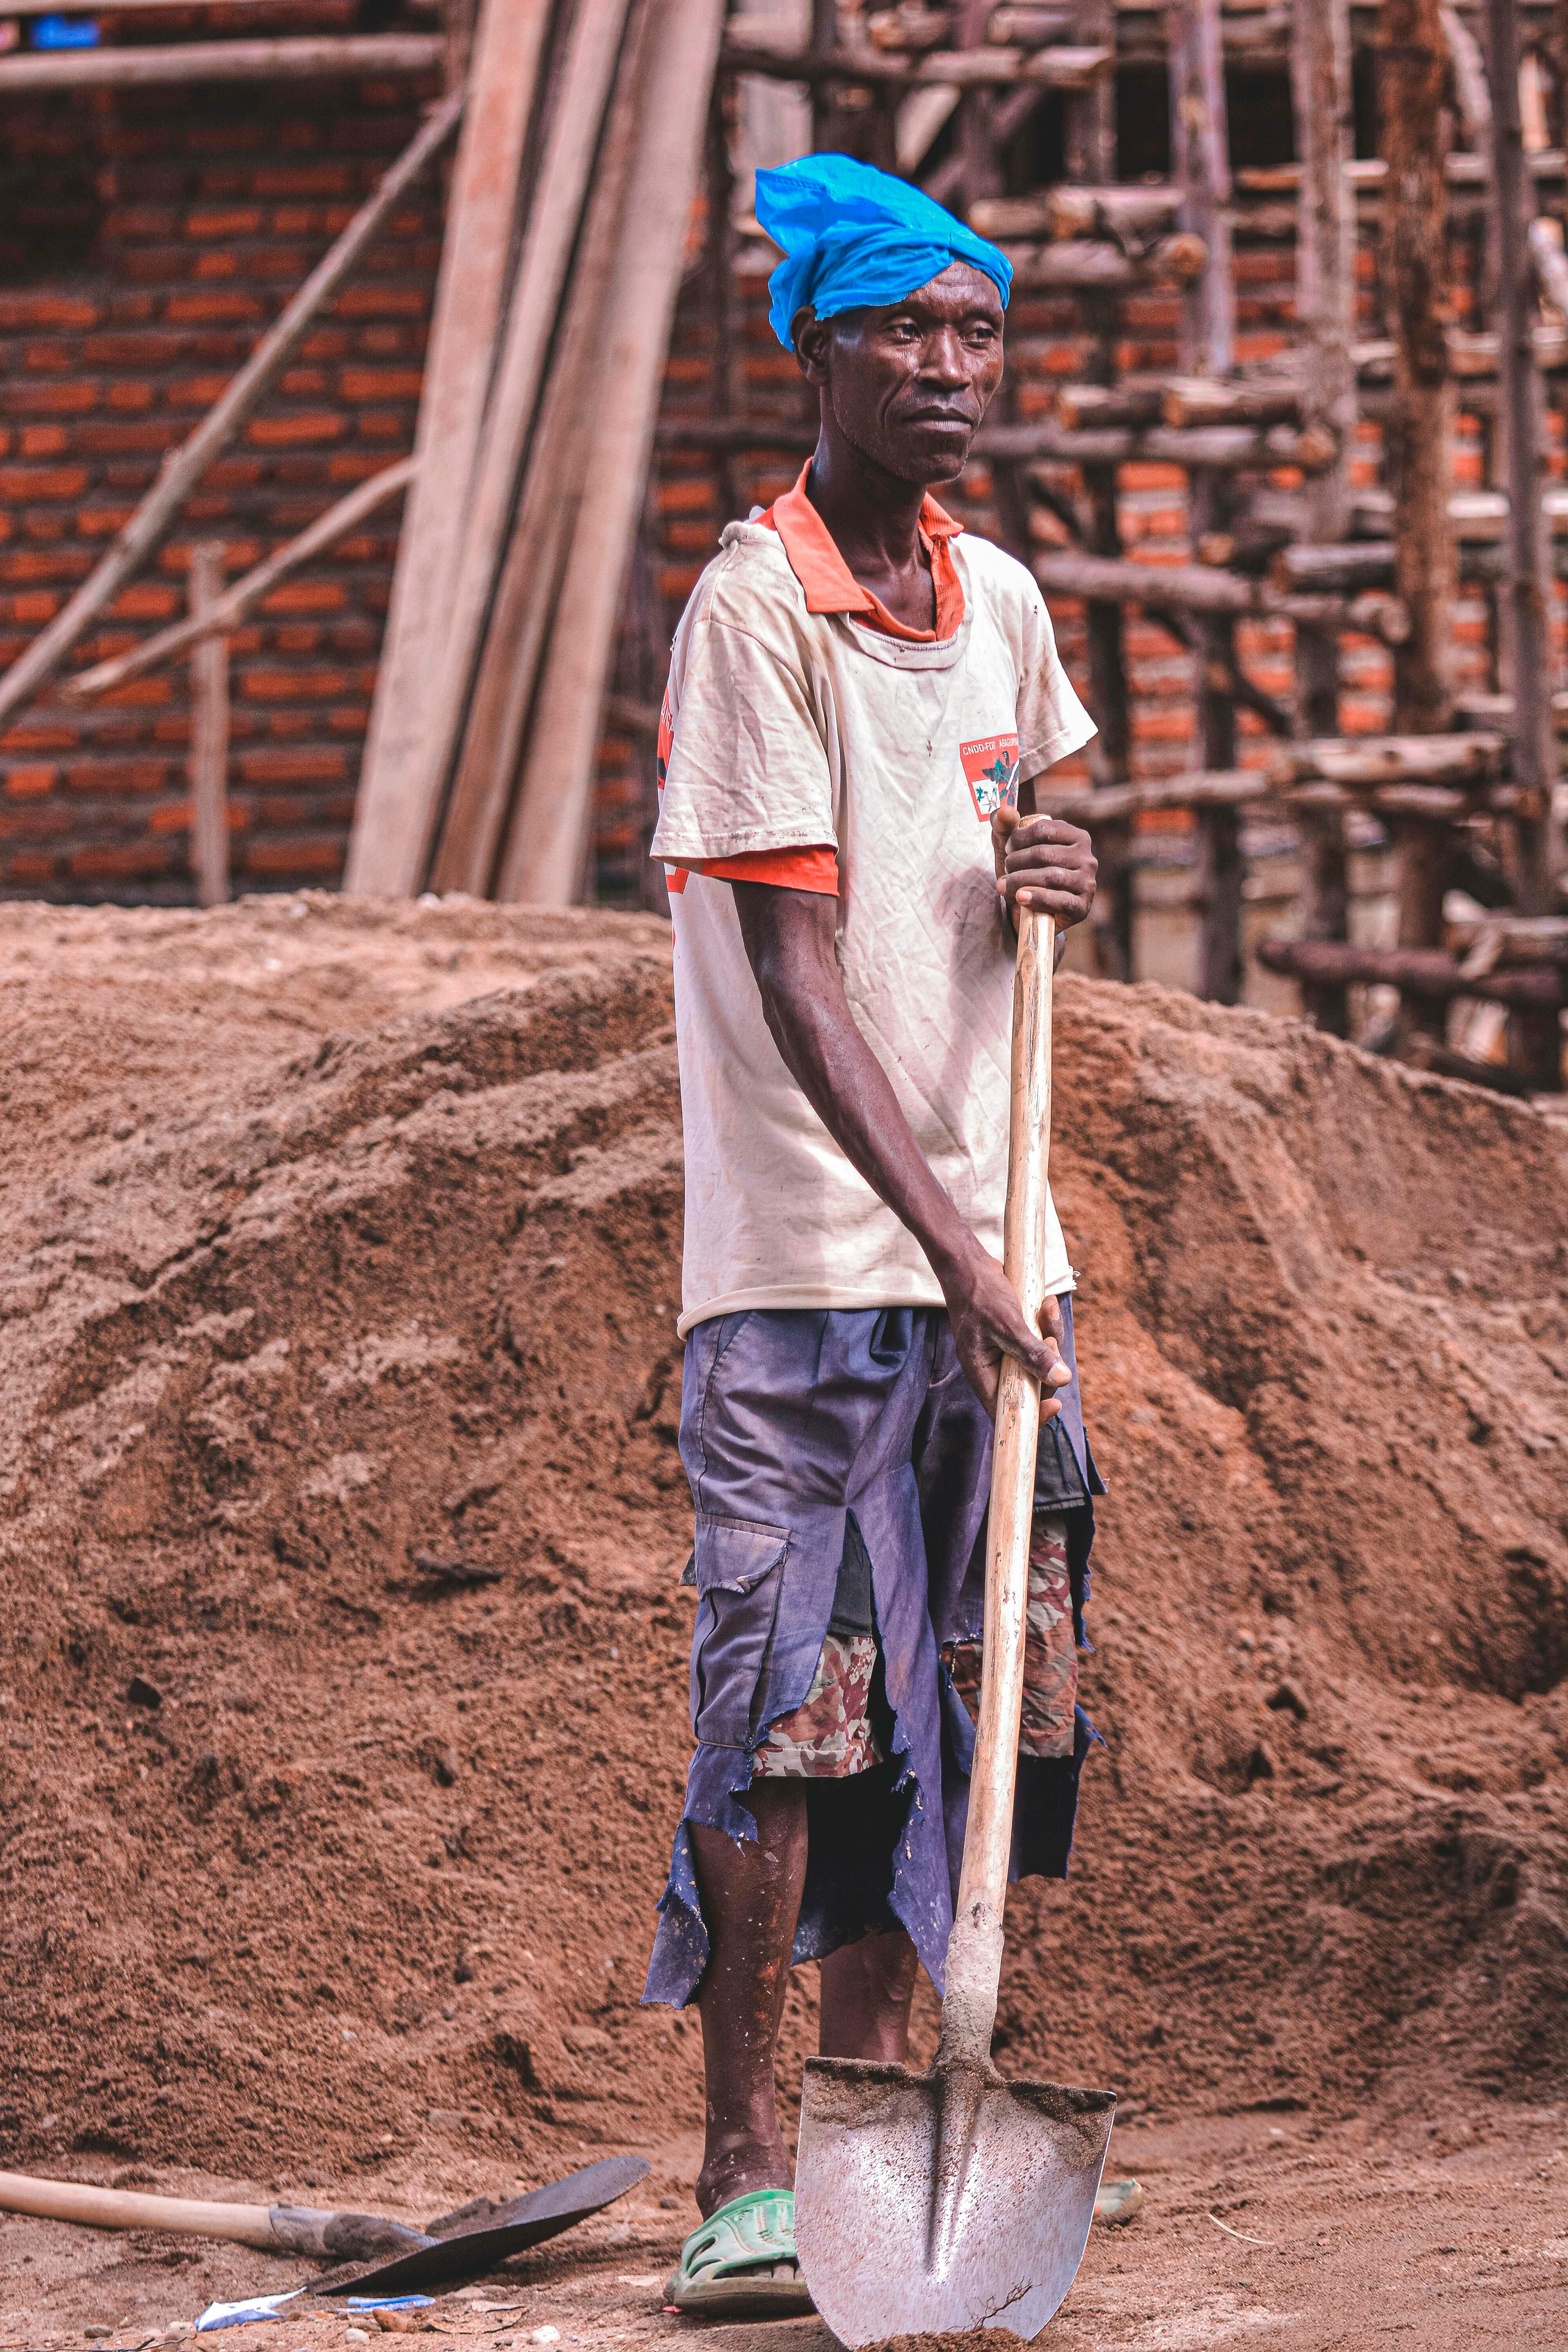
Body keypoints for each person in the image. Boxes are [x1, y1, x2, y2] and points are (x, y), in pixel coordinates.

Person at [641, 152, 1105, 2317]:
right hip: (820, 1271)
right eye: (902, 330)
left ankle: (878, 2116)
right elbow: (795, 977)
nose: (948, 366)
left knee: (971, 1707)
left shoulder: (1000, 597)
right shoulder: (751, 609)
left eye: (975, 329)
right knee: (791, 1712)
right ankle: (747, 2172)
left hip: (998, 1253)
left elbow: (1010, 835)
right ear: (814, 352)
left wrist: (1056, 866)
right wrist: (948, 1247)